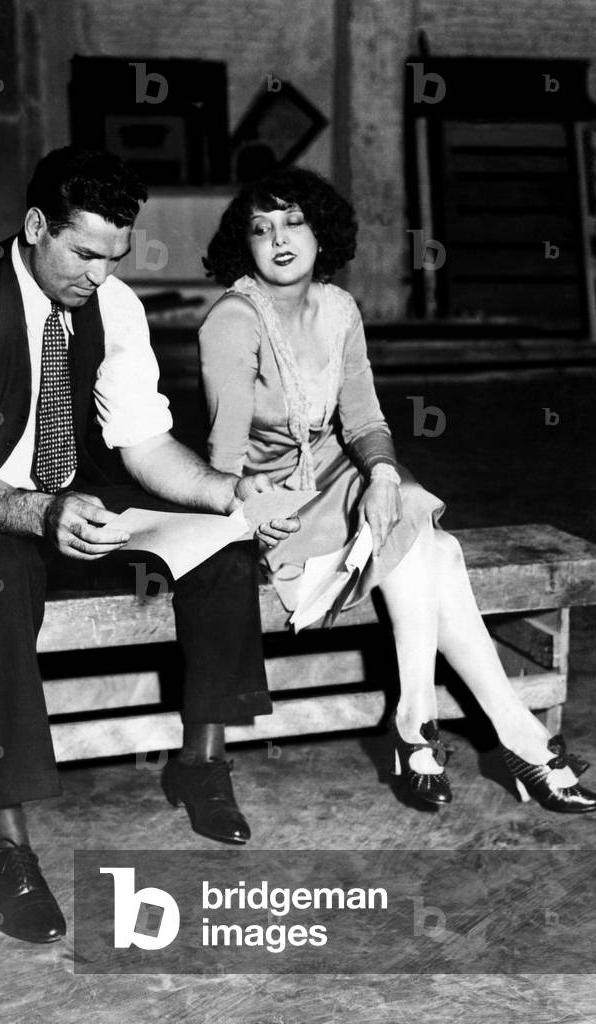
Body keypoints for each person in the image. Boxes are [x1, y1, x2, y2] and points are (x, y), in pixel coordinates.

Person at [0, 146, 298, 945]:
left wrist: (228, 494)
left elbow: (144, 442)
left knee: (221, 546)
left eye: (115, 256)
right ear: (36, 227)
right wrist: (40, 515)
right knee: (3, 575)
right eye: (83, 253)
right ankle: (0, 839)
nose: (100, 274)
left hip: (56, 509)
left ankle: (201, 762)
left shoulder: (114, 307)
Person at [198, 165, 596, 817]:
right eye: (261, 228)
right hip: (271, 497)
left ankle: (419, 728)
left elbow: (363, 417)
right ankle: (508, 736)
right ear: (245, 245)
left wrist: (382, 472)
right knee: (428, 549)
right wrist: (258, 509)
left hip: (340, 473)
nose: (280, 239)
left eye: (294, 221)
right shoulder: (231, 321)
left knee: (415, 522)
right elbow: (224, 453)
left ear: (321, 233)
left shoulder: (340, 309)